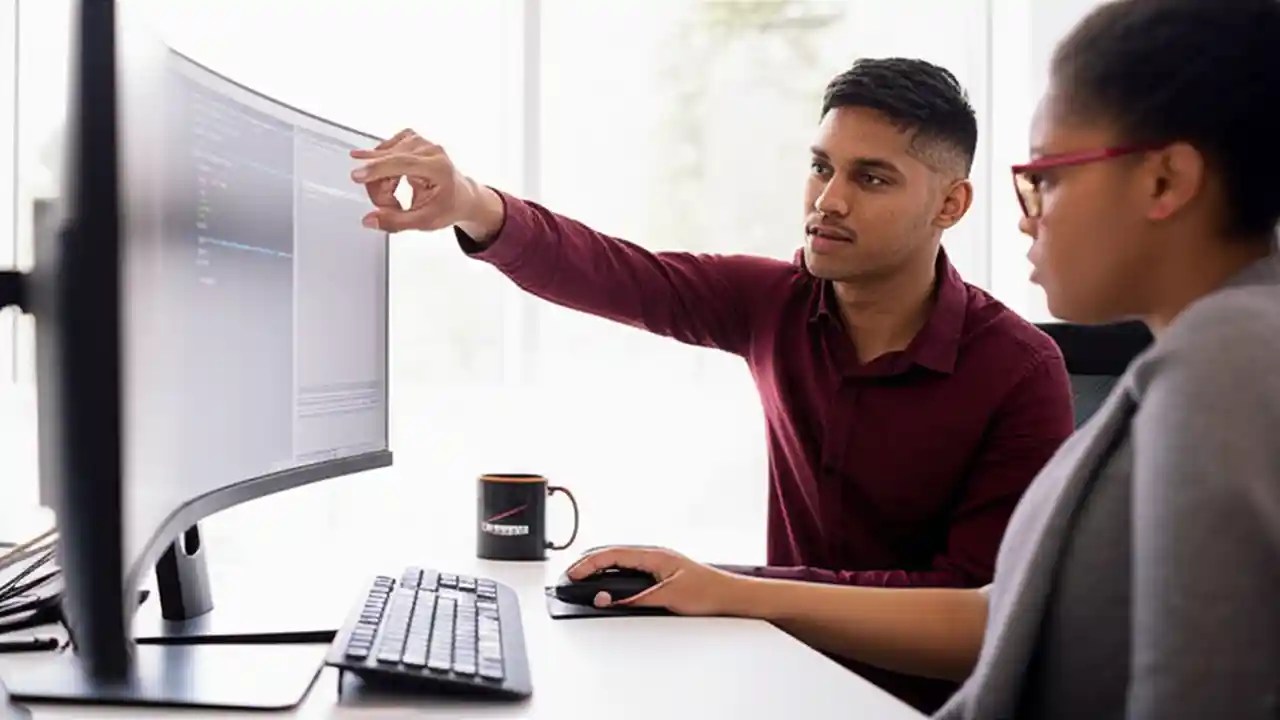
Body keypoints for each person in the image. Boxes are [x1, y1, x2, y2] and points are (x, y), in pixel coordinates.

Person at [554, 0, 1280, 717]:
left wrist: (731, 589)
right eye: (821, 168)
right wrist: (723, 586)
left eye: (1048, 177)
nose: (1029, 213)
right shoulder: (1199, 362)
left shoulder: (1226, 363)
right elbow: (1005, 616)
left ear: (1164, 183)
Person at [351, 59, 1074, 710]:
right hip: (777, 672)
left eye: (871, 177)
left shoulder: (1021, 371)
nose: (829, 201)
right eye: (822, 167)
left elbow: (981, 616)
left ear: (950, 205)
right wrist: (472, 203)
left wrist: (728, 588)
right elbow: (617, 271)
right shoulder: (776, 302)